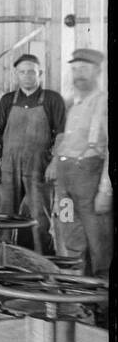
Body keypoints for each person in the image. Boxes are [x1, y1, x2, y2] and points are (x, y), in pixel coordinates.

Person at [0, 54, 66, 254]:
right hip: (8, 166)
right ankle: (6, 266)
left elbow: (61, 134)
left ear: (40, 73)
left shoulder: (52, 99)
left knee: (41, 221)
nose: (26, 76)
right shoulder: (7, 100)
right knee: (5, 219)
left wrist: (55, 163)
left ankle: (45, 269)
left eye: (31, 71)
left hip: (39, 166)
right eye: (22, 72)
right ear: (16, 74)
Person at [47, 49, 110, 278]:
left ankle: (103, 307)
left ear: (98, 71)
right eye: (74, 69)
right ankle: (76, 297)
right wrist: (55, 162)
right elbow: (62, 139)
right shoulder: (70, 103)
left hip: (90, 180)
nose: (78, 74)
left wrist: (106, 191)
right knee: (68, 232)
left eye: (84, 68)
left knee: (99, 242)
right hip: (65, 182)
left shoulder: (103, 103)